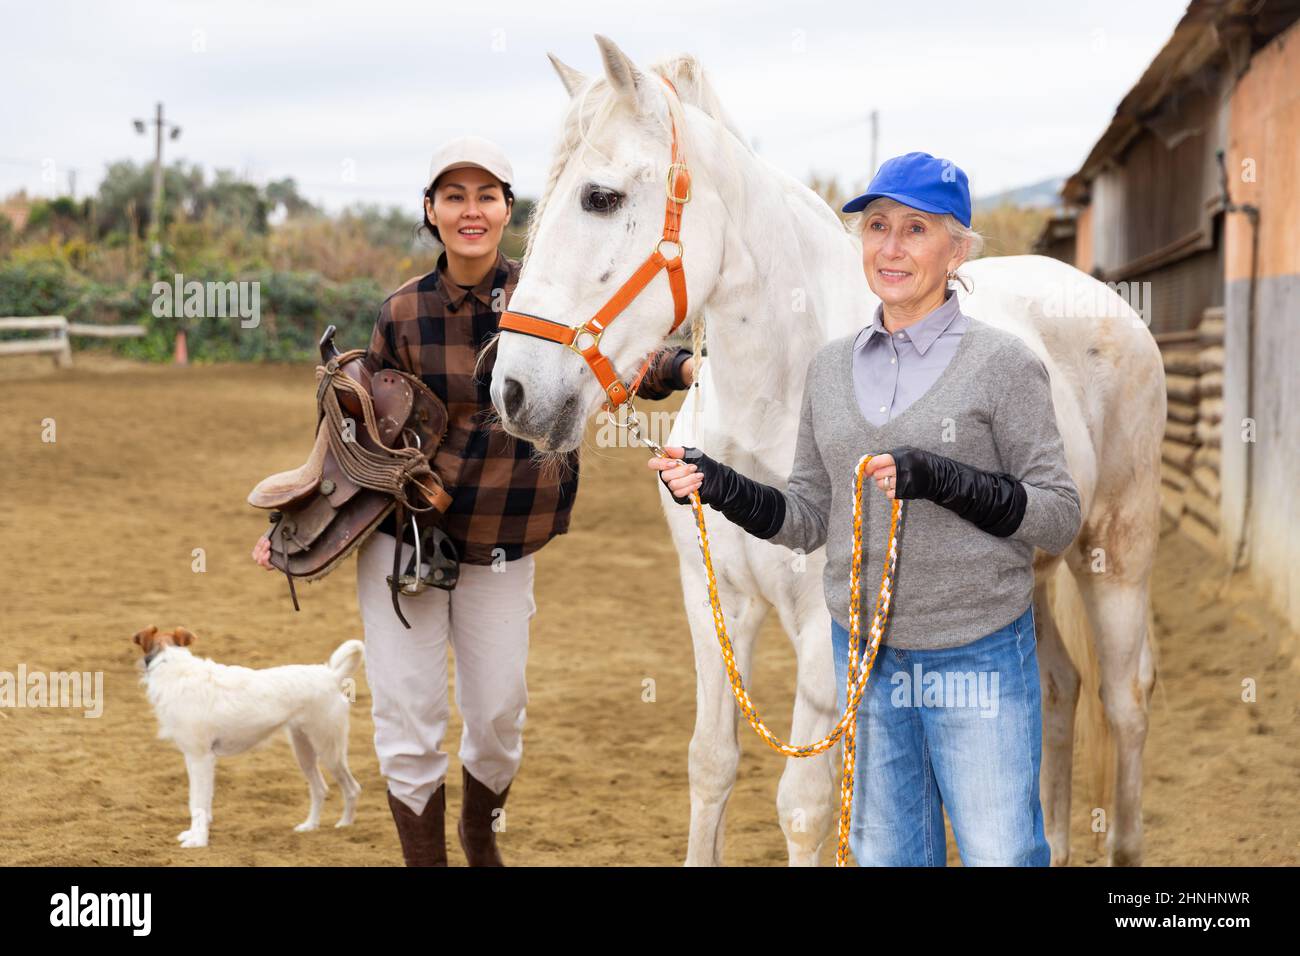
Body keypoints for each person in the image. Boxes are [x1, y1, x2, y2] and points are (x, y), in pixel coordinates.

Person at [254, 135, 694, 866]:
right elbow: (354, 436)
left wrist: (683, 364)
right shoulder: (400, 312)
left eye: (486, 195)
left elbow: (624, 357)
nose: (470, 210)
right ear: (430, 211)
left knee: (496, 718)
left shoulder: (550, 294)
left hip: (504, 542)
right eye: (453, 196)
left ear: (508, 209)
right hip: (406, 548)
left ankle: (477, 834)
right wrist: (294, 521)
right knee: (407, 717)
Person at [649, 152, 1083, 866]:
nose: (890, 246)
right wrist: (716, 484)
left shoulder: (1004, 364)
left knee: (1000, 853)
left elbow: (1058, 516)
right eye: (877, 226)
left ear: (958, 249)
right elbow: (809, 519)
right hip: (868, 661)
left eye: (916, 229)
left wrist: (948, 479)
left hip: (978, 657)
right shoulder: (830, 368)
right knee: (888, 856)